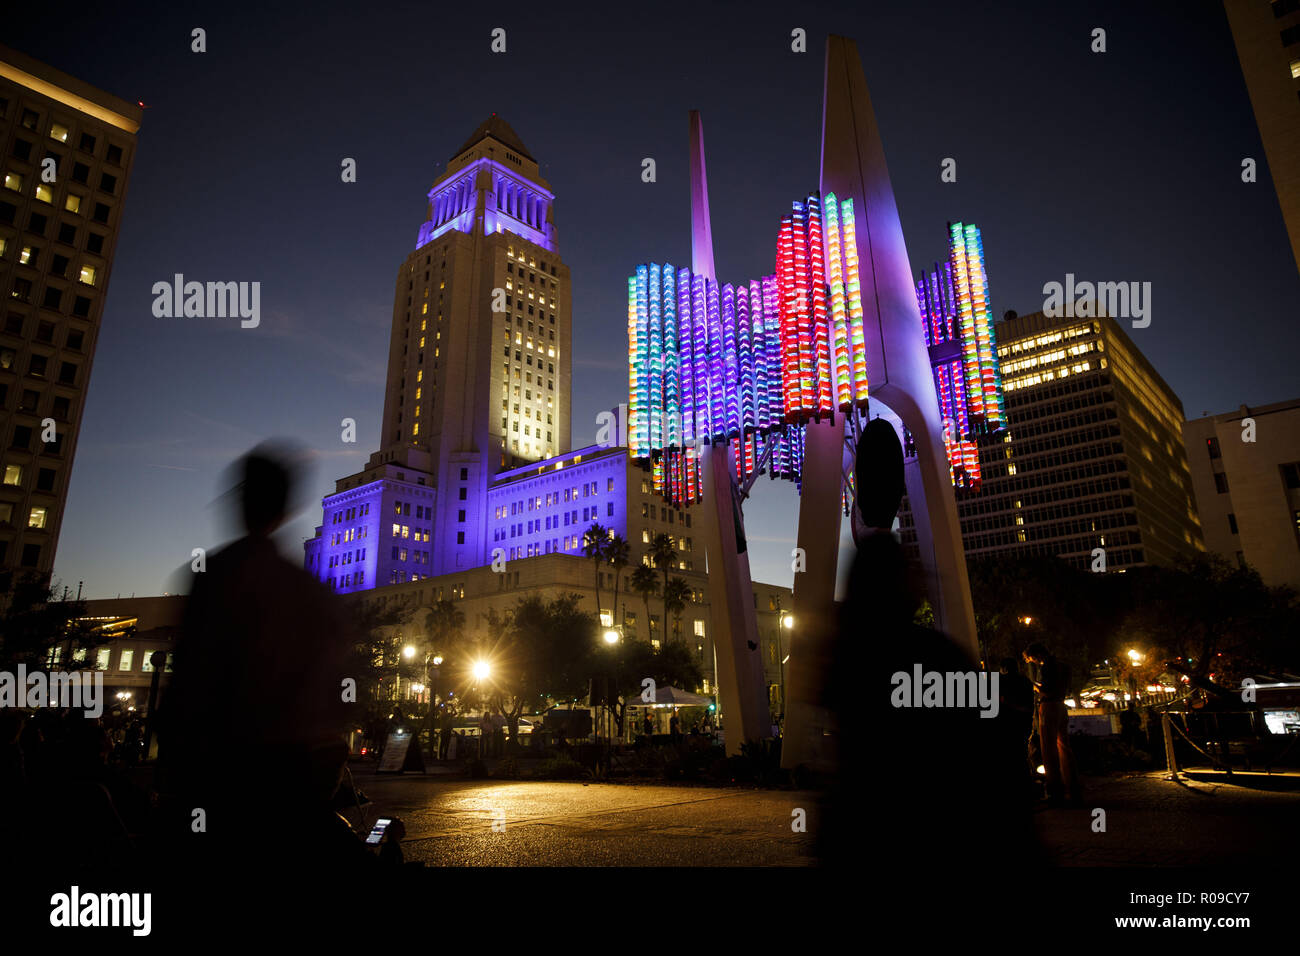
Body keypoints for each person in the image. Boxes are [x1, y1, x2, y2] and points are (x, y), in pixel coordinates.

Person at [159, 444, 355, 876]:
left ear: (243, 499)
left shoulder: (214, 576)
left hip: (227, 776)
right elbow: (337, 696)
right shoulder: (313, 594)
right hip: (295, 780)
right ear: (287, 507)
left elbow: (190, 682)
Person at [1023, 642, 1082, 805]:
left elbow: (1046, 689)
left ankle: (1056, 790)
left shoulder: (1046, 667)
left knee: (1049, 750)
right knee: (1064, 747)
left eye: (1032, 659)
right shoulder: (1063, 666)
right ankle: (1073, 787)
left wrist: (1034, 686)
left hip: (1048, 706)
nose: (1033, 662)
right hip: (1061, 706)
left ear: (1037, 655)